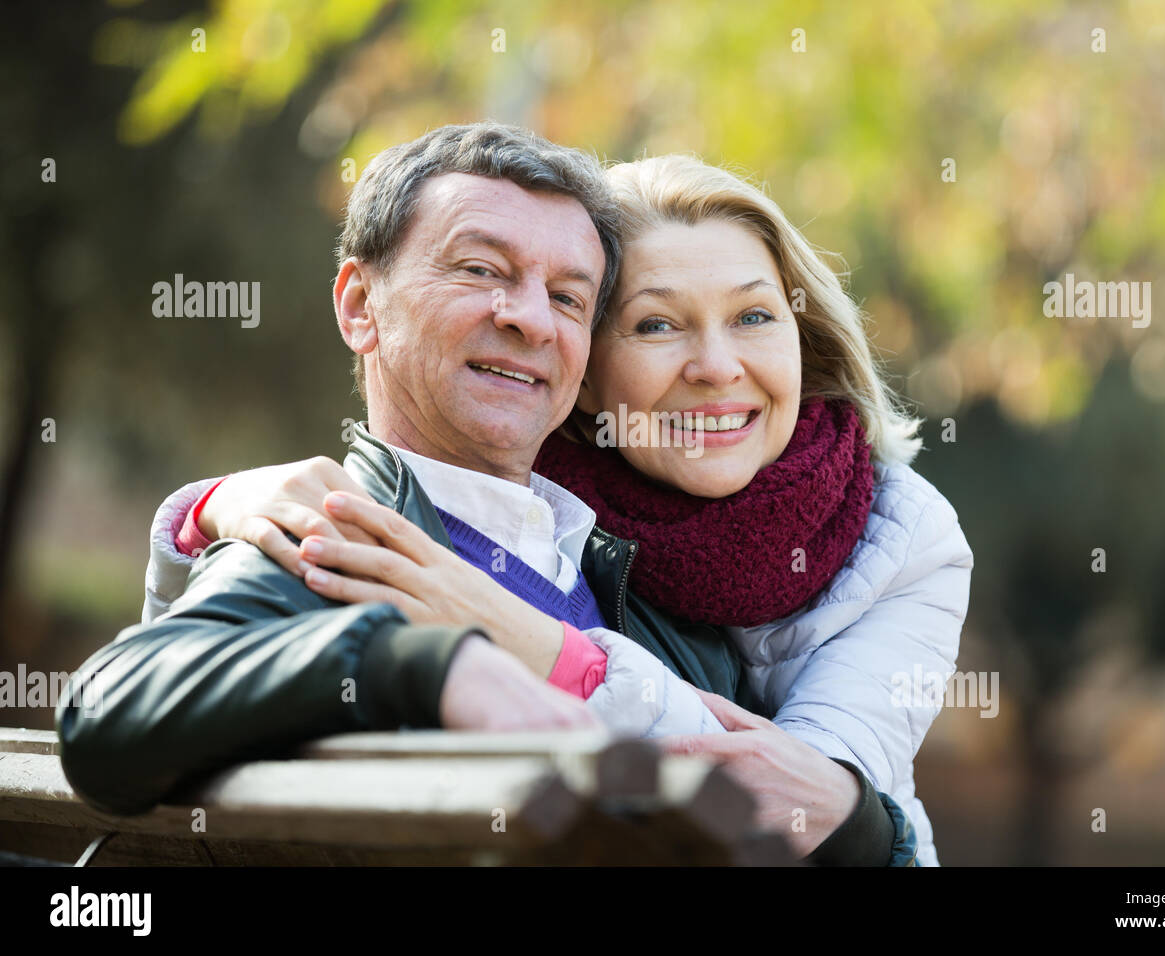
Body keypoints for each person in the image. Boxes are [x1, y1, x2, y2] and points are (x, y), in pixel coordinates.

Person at [57, 123, 911, 866]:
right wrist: (424, 666)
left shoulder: (647, 584)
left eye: (569, 297)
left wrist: (859, 825)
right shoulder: (335, 543)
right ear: (360, 306)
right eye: (480, 270)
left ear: (583, 364)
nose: (531, 319)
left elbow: (799, 821)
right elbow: (106, 714)